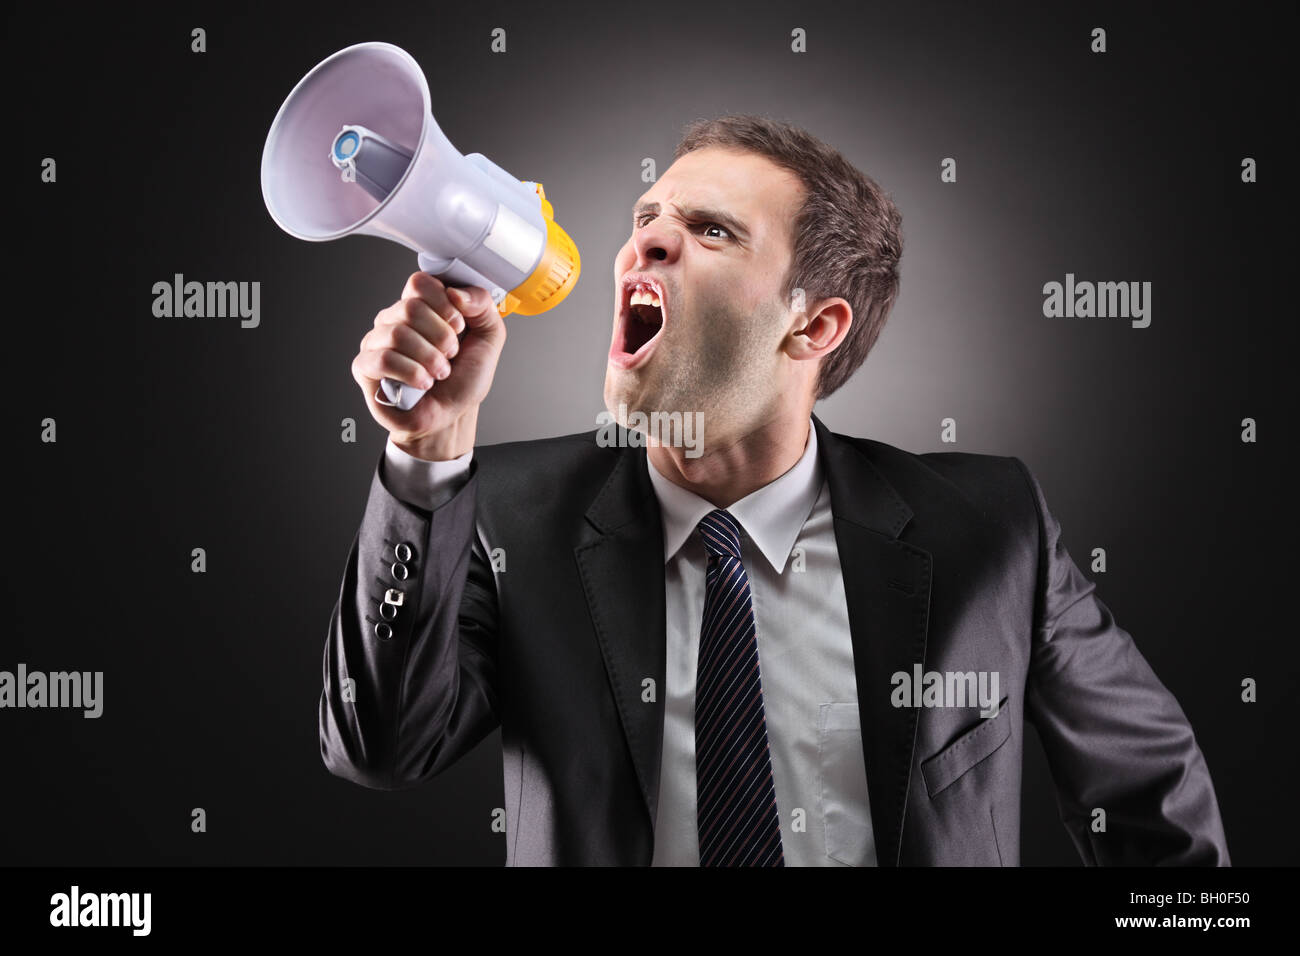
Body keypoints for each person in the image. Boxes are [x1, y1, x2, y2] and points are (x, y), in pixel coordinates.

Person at [319, 114, 1229, 866]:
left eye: (711, 230)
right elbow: (381, 747)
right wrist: (427, 447)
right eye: (646, 217)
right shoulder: (512, 511)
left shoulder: (988, 529)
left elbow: (1152, 801)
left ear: (815, 324)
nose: (647, 240)